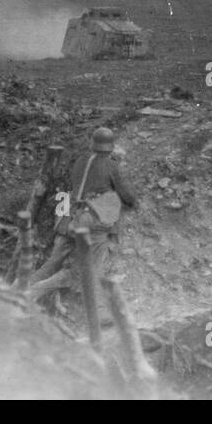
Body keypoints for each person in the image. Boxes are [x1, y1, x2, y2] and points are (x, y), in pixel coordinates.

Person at [28, 127, 138, 297]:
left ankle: (16, 290)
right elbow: (128, 197)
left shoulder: (80, 161)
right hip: (89, 222)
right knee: (83, 270)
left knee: (51, 264)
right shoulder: (111, 166)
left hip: (68, 218)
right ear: (110, 147)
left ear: (93, 144)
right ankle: (32, 293)